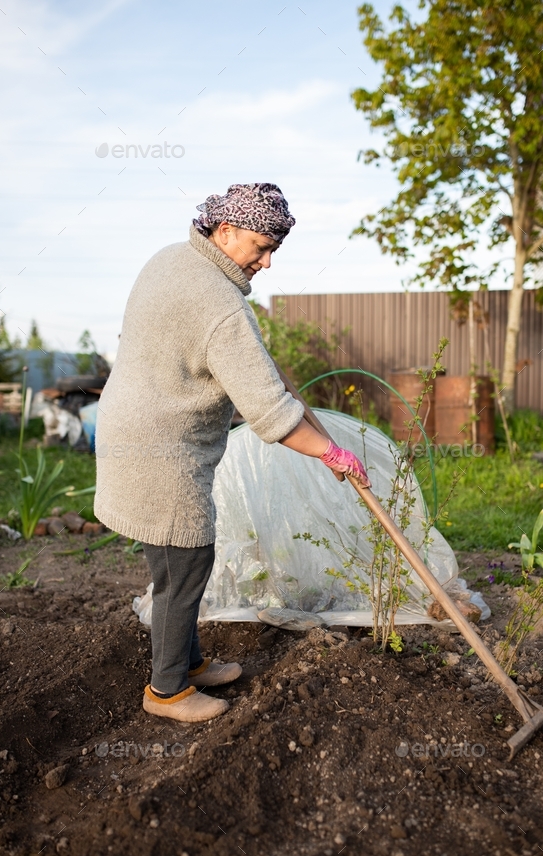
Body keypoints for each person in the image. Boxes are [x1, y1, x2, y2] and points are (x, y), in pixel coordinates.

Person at [94, 182, 370, 724]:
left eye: (274, 252)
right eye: (261, 248)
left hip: (128, 429)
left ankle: (189, 662)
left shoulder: (172, 260)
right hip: (161, 450)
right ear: (224, 231)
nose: (267, 264)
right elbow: (270, 414)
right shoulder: (221, 305)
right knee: (187, 560)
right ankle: (167, 691)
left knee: (171, 564)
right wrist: (331, 453)